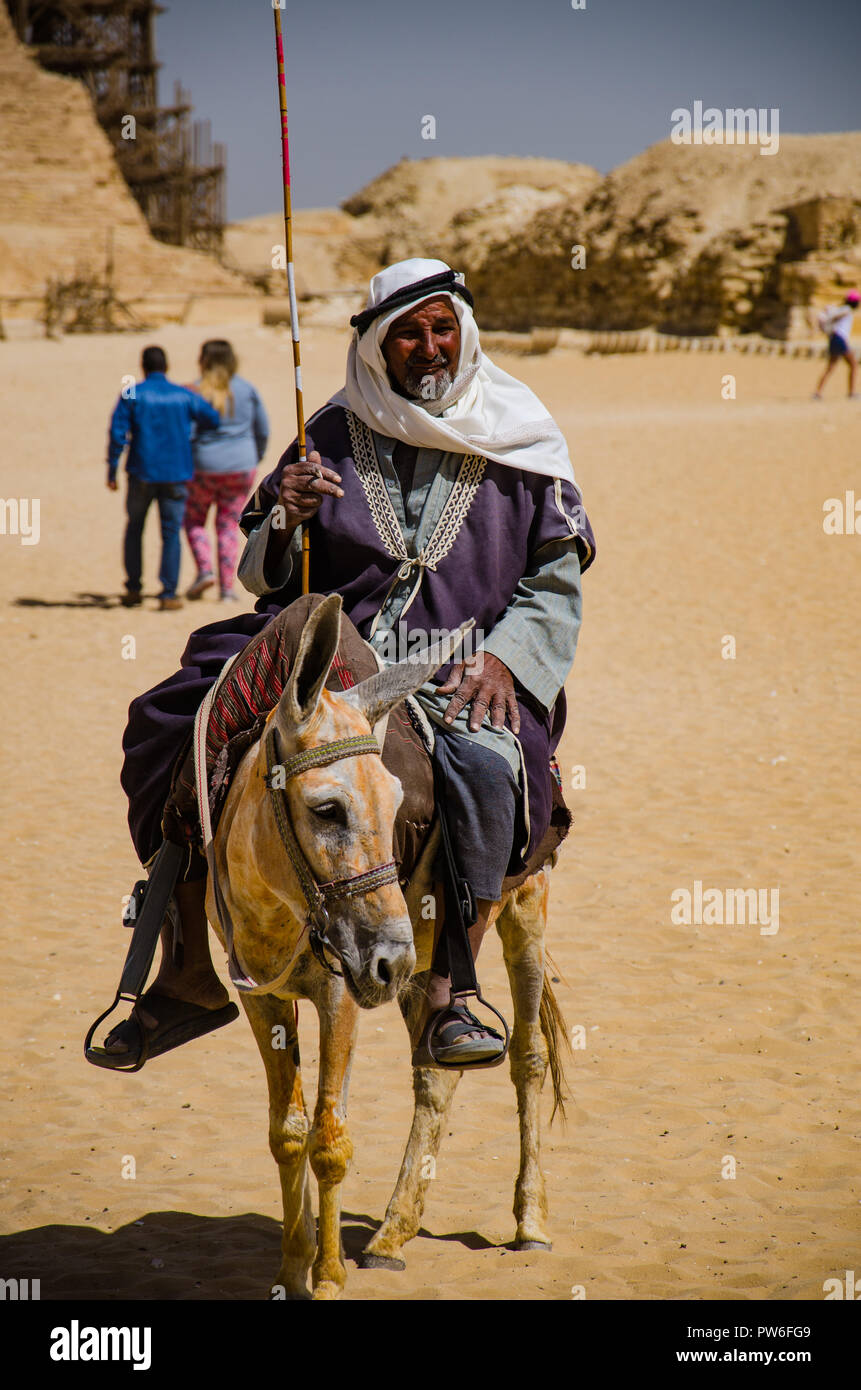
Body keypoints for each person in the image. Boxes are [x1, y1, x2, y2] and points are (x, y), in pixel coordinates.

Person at [102, 258, 595, 1069]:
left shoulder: (523, 435)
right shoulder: (327, 430)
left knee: (487, 761)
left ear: (462, 334)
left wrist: (508, 660)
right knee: (172, 724)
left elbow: (553, 579)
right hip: (324, 651)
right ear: (377, 345)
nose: (428, 348)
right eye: (408, 333)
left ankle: (451, 986)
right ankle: (187, 963)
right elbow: (260, 571)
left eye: (442, 329)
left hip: (460, 662)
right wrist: (283, 519)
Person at [107, 345, 221, 610]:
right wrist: (189, 430)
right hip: (176, 473)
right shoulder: (183, 394)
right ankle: (168, 593)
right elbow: (213, 419)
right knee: (170, 533)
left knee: (135, 528)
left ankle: (133, 589)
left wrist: (112, 470)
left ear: (143, 367)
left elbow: (117, 435)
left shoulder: (132, 393)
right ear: (166, 367)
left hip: (141, 472)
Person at [183, 340, 270, 603]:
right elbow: (262, 429)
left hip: (202, 466)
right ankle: (227, 589)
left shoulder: (195, 391)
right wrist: (255, 456)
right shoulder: (246, 389)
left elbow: (186, 433)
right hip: (241, 466)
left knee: (195, 520)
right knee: (227, 525)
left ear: (203, 360)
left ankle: (205, 571)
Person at [813, 290, 859, 399]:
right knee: (853, 364)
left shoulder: (843, 309)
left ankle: (818, 392)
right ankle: (851, 393)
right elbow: (833, 316)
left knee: (831, 367)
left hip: (835, 339)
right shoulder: (846, 310)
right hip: (839, 340)